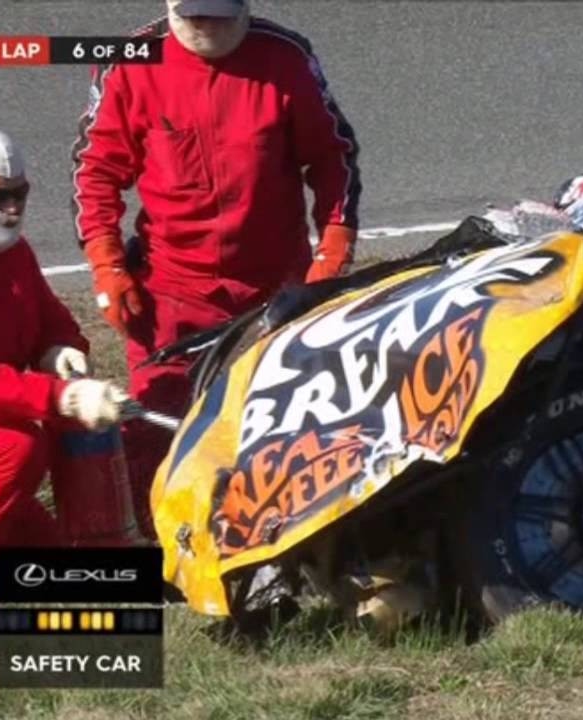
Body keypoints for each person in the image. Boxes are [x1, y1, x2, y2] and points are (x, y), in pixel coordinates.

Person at [70, 0, 362, 538]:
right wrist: (108, 267)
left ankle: (270, 543)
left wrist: (332, 255)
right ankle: (164, 554)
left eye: (219, 15)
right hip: (170, 289)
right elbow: (95, 172)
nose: (205, 27)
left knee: (276, 428)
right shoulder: (129, 62)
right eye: (193, 15)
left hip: (275, 287)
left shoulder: (287, 58)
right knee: (155, 433)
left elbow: (333, 159)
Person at [0, 123, 130, 620]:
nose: (13, 207)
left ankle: (112, 560)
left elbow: (49, 316)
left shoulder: (13, 253)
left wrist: (58, 349)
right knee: (14, 444)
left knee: (49, 568)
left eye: (20, 193)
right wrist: (60, 397)